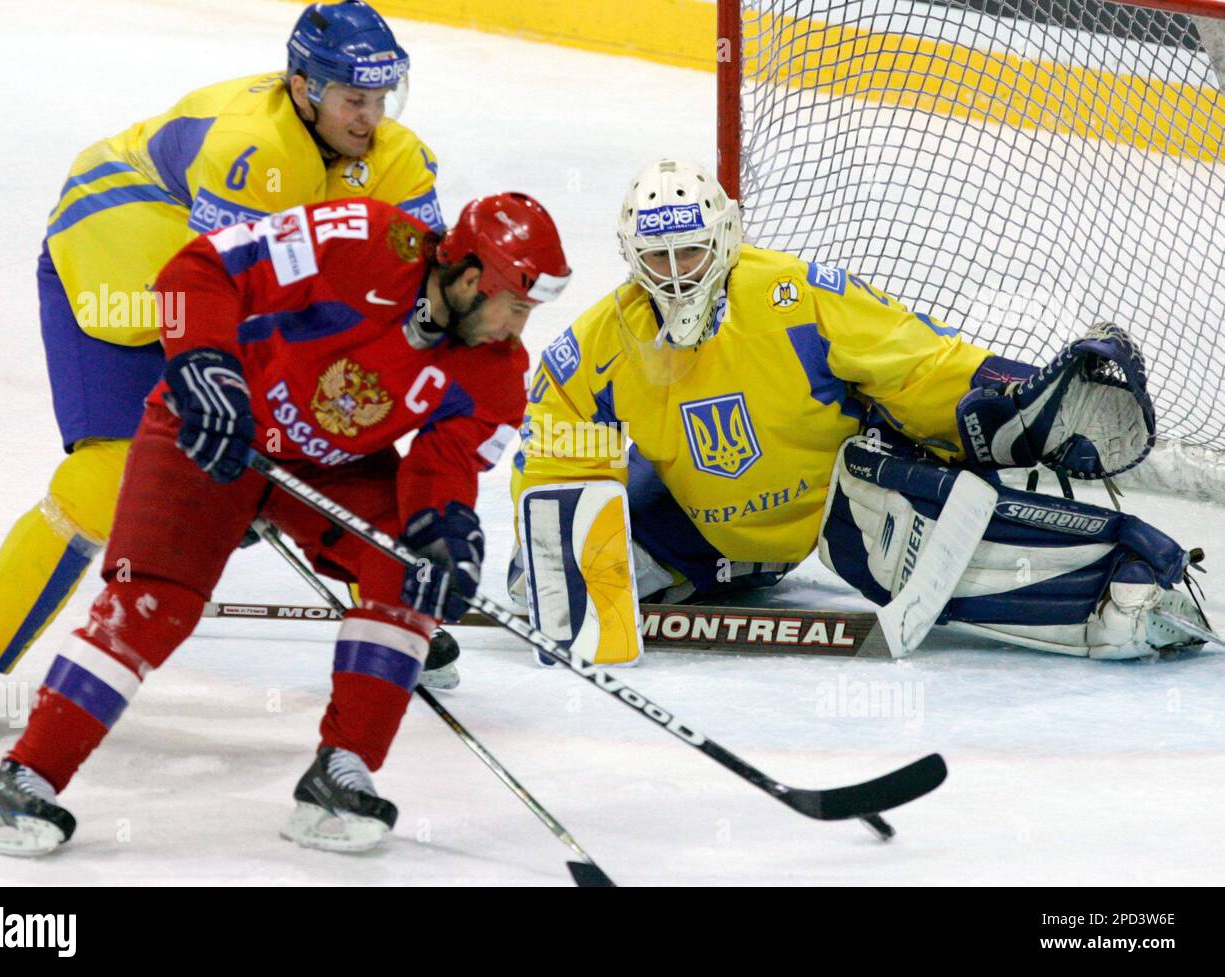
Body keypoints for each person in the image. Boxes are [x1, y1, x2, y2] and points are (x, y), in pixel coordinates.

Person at [0, 191, 572, 856]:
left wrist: (445, 530)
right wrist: (204, 364)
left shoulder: (499, 375)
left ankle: (341, 773)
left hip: (328, 467)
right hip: (214, 428)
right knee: (152, 603)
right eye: (518, 303)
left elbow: (444, 469)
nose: (518, 325)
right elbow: (198, 270)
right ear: (473, 278)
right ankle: (23, 780)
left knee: (410, 567)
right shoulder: (362, 237)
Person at [0, 1, 449, 736]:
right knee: (110, 481)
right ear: (304, 88)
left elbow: (423, 290)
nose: (371, 117)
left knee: (328, 429)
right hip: (113, 265)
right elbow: (211, 294)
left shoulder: (398, 155)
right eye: (351, 100)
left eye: (379, 98)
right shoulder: (252, 151)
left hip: (212, 286)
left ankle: (389, 606)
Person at [509, 158, 1207, 666]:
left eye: (689, 250)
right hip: (701, 516)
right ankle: (732, 564)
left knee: (918, 512)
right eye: (657, 259)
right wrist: (555, 551)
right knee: (530, 576)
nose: (676, 273)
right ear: (632, 258)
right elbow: (549, 445)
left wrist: (1009, 389)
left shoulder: (792, 293)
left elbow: (914, 360)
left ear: (724, 239)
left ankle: (1129, 583)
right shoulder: (602, 341)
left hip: (836, 499)